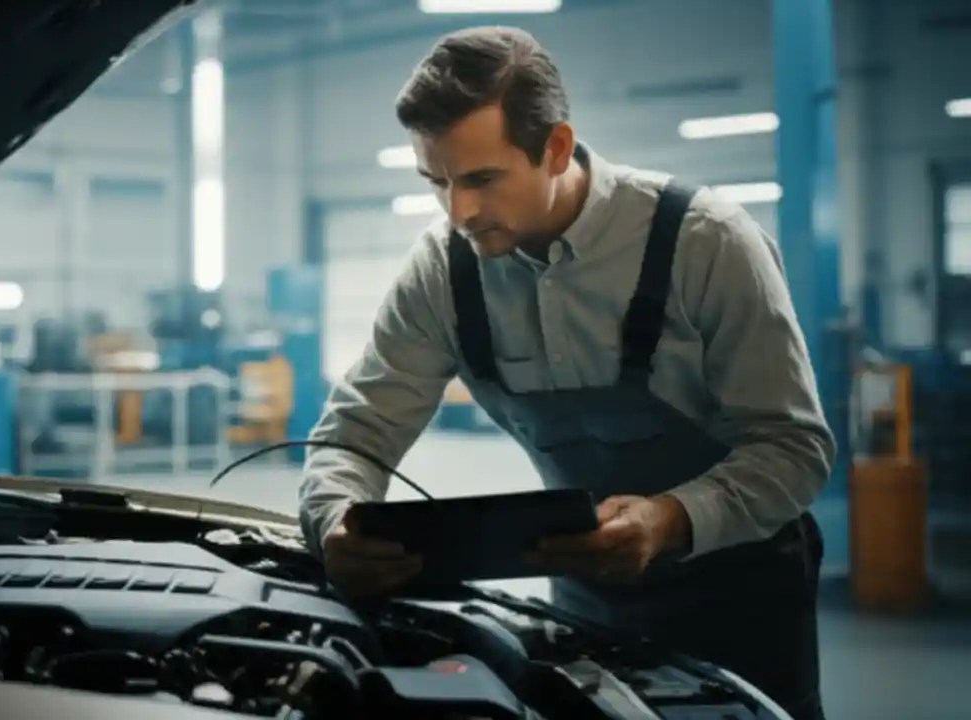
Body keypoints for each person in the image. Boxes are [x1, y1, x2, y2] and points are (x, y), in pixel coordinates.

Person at [297, 26, 832, 720]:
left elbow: (796, 449)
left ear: (554, 147)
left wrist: (669, 520)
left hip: (744, 598)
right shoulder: (440, 273)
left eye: (482, 178)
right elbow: (355, 433)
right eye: (437, 182)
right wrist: (333, 519)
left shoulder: (708, 244)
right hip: (588, 595)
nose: (458, 212)